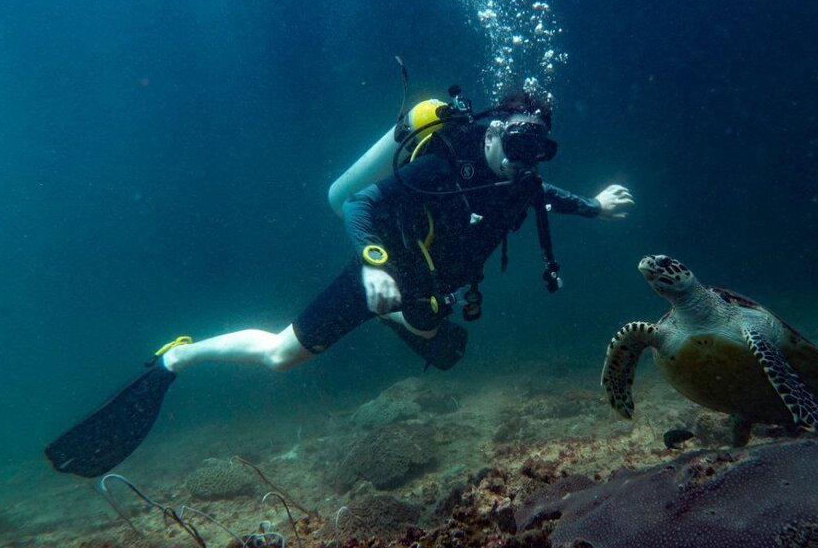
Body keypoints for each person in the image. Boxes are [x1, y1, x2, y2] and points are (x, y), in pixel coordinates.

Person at [44, 89, 634, 478]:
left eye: (540, 150)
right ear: (497, 129)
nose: (526, 160)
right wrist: (375, 264)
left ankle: (400, 312)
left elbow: (544, 196)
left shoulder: (522, 178)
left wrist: (596, 209)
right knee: (280, 356)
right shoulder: (444, 163)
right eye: (520, 143)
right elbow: (358, 202)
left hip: (425, 289)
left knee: (433, 326)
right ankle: (181, 356)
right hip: (381, 271)